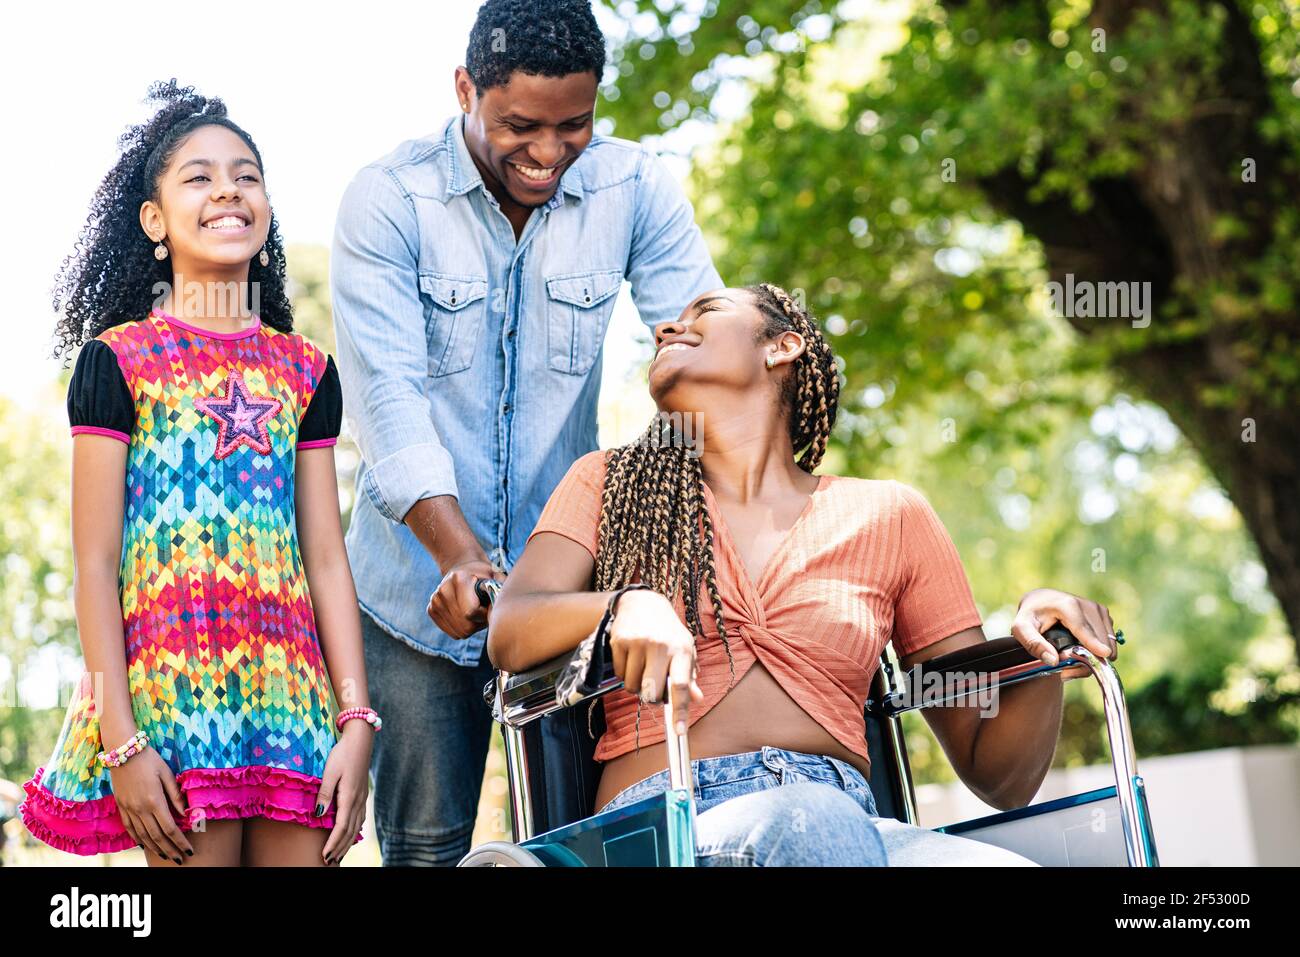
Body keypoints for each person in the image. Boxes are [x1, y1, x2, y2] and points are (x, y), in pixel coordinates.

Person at [487, 283, 1123, 866]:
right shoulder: (608, 484)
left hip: (857, 824)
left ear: (782, 347)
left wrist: (1048, 652)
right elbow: (511, 629)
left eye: (703, 313)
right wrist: (624, 606)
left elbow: (998, 776)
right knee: (809, 821)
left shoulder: (890, 516)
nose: (665, 329)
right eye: (668, 324)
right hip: (665, 823)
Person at [330, 0, 721, 865]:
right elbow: (389, 403)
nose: (548, 153)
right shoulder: (389, 200)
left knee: (583, 841)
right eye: (520, 126)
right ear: (466, 88)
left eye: (574, 124)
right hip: (411, 606)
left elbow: (707, 353)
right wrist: (459, 557)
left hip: (565, 599)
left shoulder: (634, 187)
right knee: (427, 849)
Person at [19, 80, 375, 867]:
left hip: (295, 707)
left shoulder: (306, 370)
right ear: (154, 220)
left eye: (247, 175)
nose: (228, 190)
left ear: (267, 206)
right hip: (169, 708)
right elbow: (94, 564)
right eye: (199, 176)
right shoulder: (118, 361)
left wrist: (356, 720)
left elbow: (325, 558)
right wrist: (122, 742)